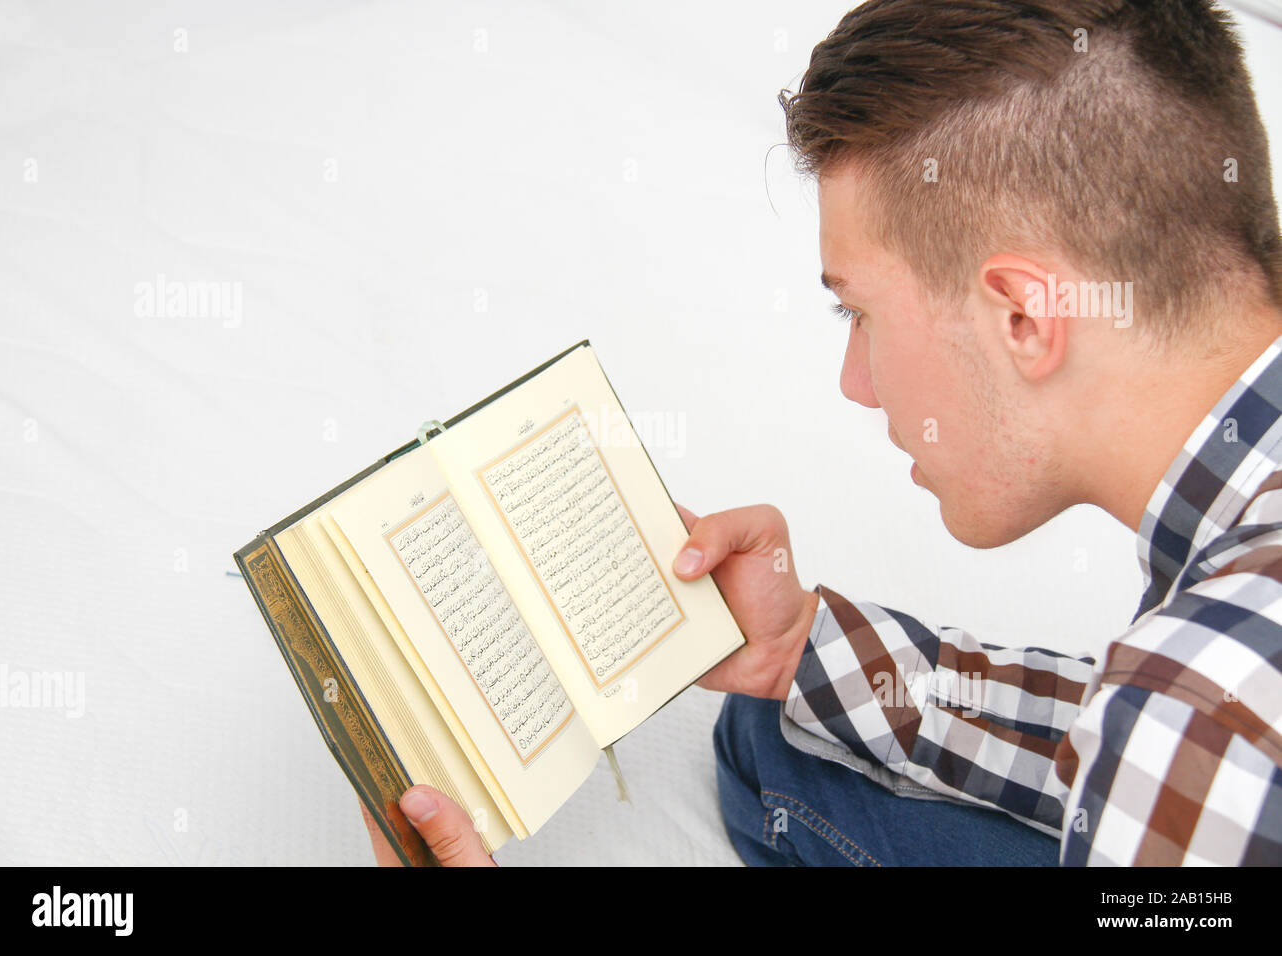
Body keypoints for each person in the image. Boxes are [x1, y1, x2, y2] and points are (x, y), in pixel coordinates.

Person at [368, 0, 1282, 866]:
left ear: (1024, 320)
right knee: (776, 739)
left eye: (858, 313)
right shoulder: (1203, 681)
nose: (854, 383)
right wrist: (803, 640)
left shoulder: (1188, 706)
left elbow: (1178, 734)